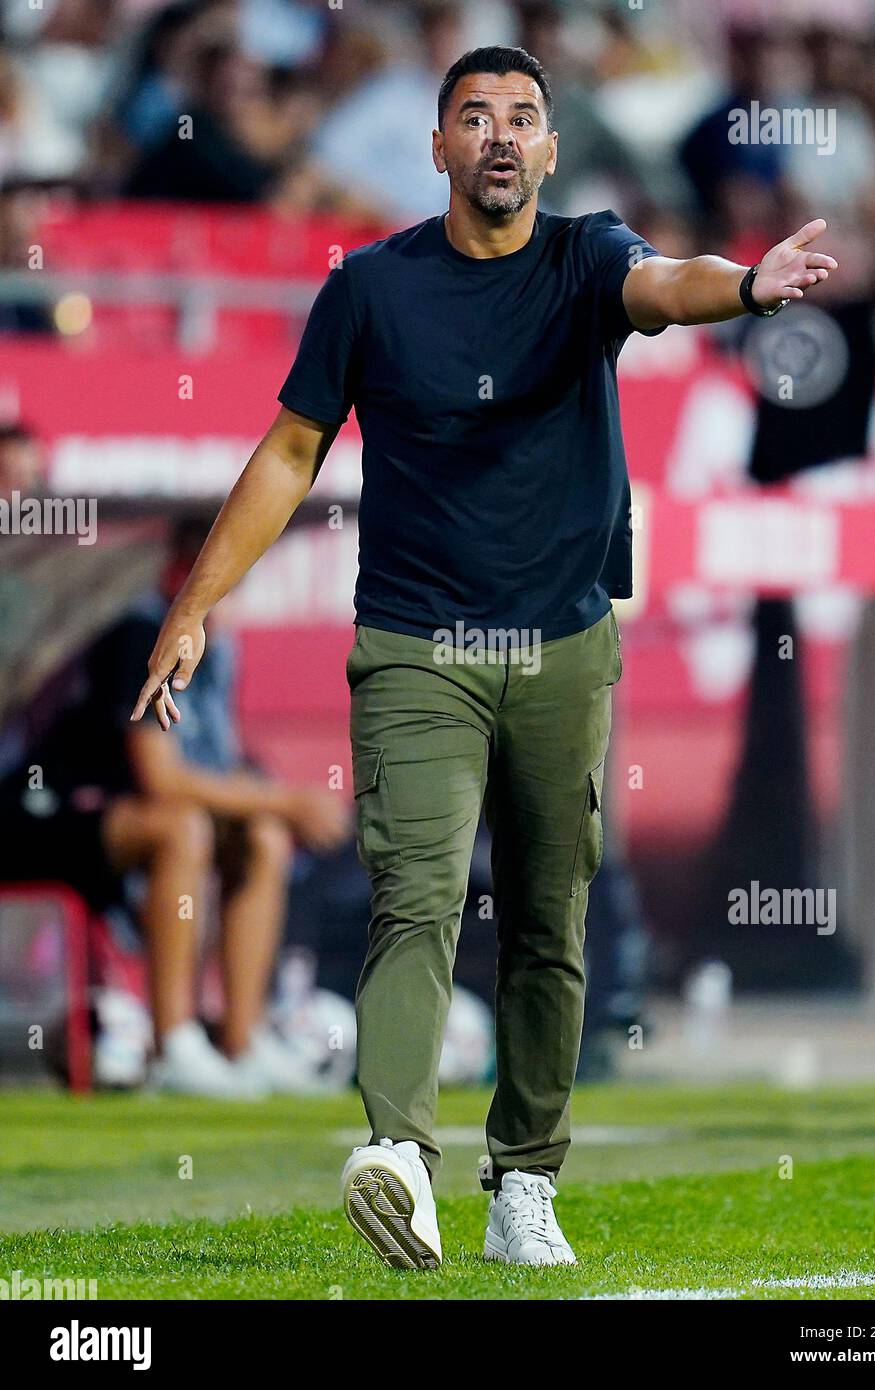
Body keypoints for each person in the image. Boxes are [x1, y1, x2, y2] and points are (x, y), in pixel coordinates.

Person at [130, 45, 836, 1268]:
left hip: (564, 642)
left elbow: (669, 285)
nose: (502, 136)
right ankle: (400, 1149)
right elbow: (292, 450)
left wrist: (751, 289)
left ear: (551, 151)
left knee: (550, 922)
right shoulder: (370, 288)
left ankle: (525, 1182)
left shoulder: (591, 254)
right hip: (415, 645)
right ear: (440, 147)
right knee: (417, 892)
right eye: (476, 117)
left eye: (524, 118)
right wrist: (196, 602)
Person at [0, 518, 345, 1096]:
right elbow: (161, 779)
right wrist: (288, 798)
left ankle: (243, 1040)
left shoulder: (218, 646)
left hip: (117, 820)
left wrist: (273, 806)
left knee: (262, 834)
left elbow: (218, 769)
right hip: (41, 815)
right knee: (179, 828)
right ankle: (174, 1043)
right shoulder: (144, 633)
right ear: (183, 568)